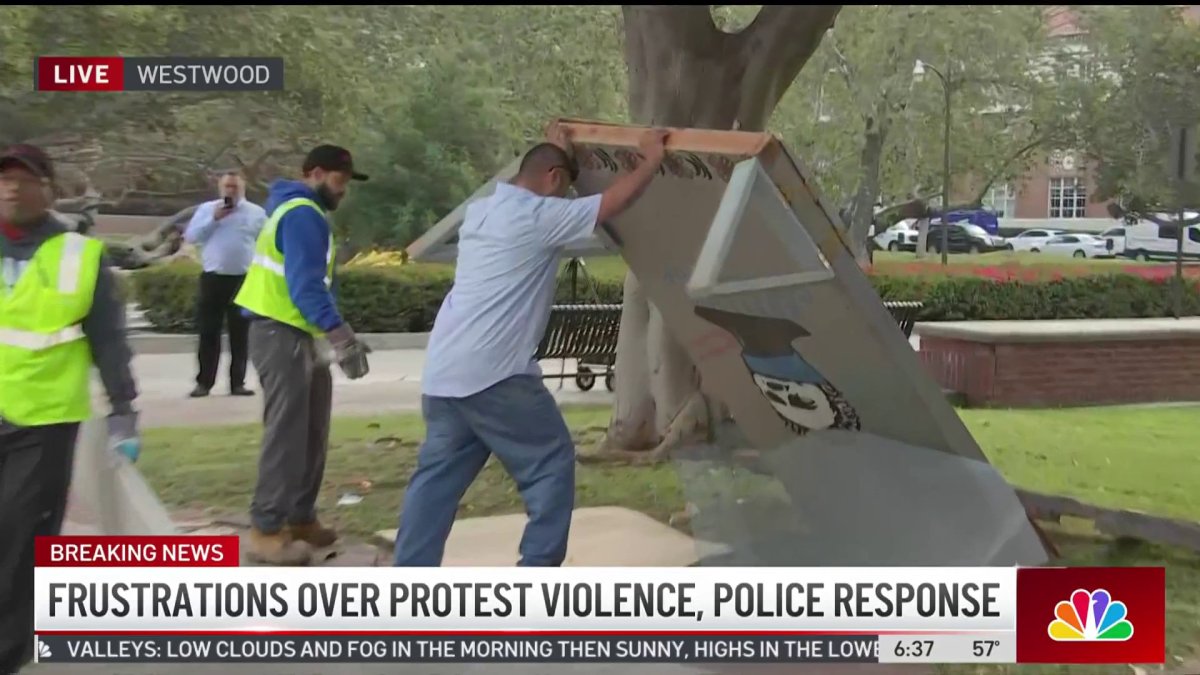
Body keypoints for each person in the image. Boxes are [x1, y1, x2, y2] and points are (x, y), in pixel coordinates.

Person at [393, 127, 669, 567]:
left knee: (436, 482)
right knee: (550, 461)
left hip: (444, 376)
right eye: (561, 189)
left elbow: (543, 178)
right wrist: (651, 159)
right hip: (496, 375)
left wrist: (556, 152)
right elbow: (612, 204)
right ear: (555, 179)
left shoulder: (481, 213)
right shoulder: (537, 217)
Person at [0, 144, 140, 673]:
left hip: (45, 419)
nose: (12, 187)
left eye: (24, 179)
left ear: (50, 190)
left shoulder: (81, 255)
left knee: (20, 539)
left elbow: (109, 340)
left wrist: (124, 409)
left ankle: (9, 651)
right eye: (4, 179)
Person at [233, 144, 372, 566]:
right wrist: (342, 337)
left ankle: (300, 518)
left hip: (299, 334)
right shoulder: (301, 215)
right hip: (280, 333)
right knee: (288, 435)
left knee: (311, 433)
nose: (343, 189)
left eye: (347, 182)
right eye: (338, 180)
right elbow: (305, 286)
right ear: (314, 173)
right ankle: (267, 530)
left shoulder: (305, 214)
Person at [183, 170, 266, 398]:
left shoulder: (256, 213)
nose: (231, 191)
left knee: (241, 333)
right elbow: (191, 237)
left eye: (235, 187)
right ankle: (204, 383)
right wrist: (214, 219)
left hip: (243, 278)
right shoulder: (207, 210)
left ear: (243, 188)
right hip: (213, 277)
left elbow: (266, 242)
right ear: (220, 188)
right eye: (227, 187)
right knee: (208, 332)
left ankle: (237, 382)